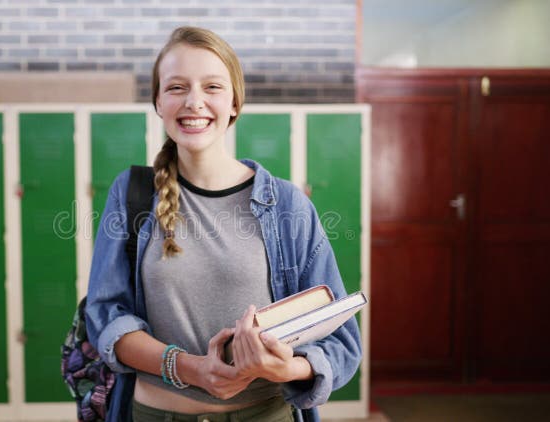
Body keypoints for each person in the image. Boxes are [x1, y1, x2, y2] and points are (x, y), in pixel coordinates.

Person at [85, 26, 362, 422]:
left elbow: (341, 340)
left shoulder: (287, 205)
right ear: (159, 102)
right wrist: (190, 368)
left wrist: (287, 368)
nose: (194, 102)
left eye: (212, 87)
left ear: (234, 102)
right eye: (177, 88)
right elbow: (106, 318)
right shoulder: (132, 194)